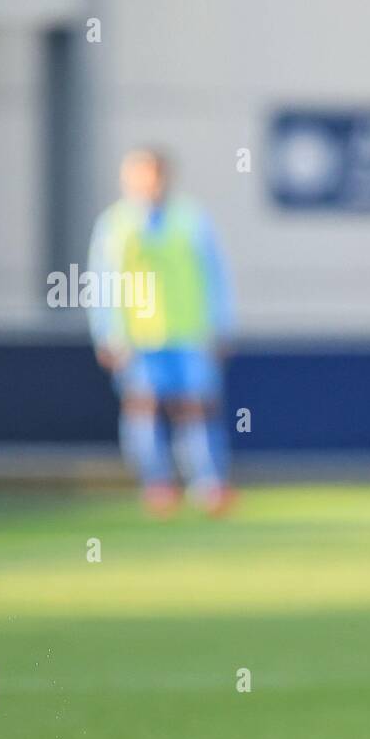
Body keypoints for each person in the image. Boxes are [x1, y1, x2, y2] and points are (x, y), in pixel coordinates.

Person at [87, 149, 235, 516]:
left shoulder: (191, 219)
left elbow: (215, 276)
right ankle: (157, 485)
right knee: (144, 410)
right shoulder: (115, 224)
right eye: (141, 175)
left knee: (196, 409)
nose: (149, 183)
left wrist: (220, 326)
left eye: (155, 175)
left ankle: (208, 485)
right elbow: (101, 283)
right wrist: (107, 332)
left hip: (189, 333)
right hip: (139, 337)